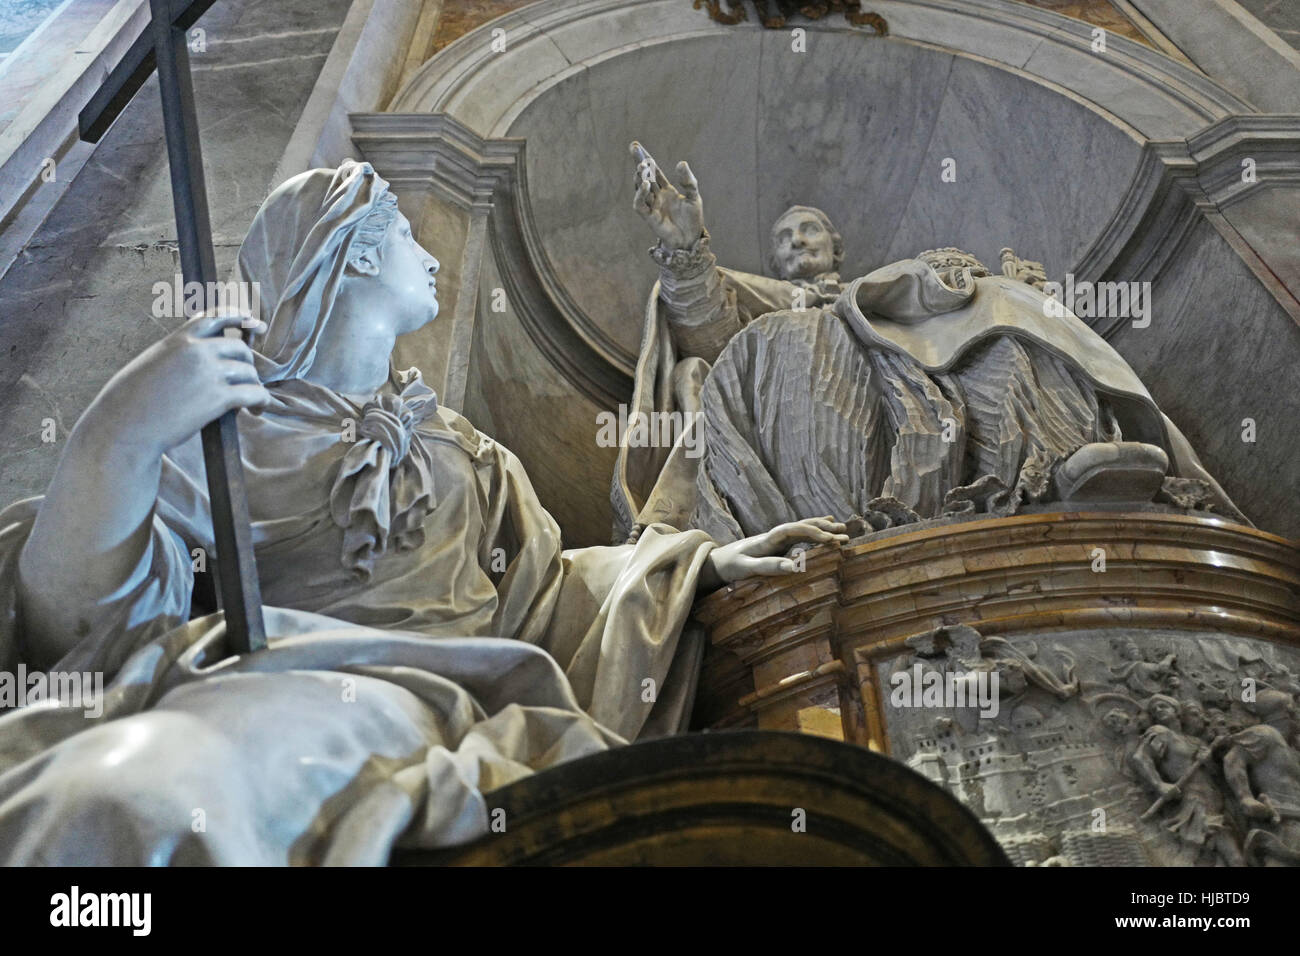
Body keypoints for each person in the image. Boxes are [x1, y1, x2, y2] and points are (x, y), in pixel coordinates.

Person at [0, 160, 845, 864]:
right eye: (406, 234)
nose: (434, 257)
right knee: (120, 794)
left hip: (426, 705)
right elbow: (81, 629)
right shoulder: (223, 435)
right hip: (280, 684)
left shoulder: (468, 453)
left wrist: (692, 566)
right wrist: (117, 435)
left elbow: (548, 599)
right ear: (354, 257)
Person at [617, 143, 1248, 545]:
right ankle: (854, 519)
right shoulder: (775, 309)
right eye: (784, 236)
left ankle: (1059, 471)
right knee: (789, 337)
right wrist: (685, 250)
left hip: (919, 365)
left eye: (810, 229)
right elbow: (708, 337)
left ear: (838, 247)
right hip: (830, 403)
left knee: (1002, 321)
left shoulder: (891, 290)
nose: (796, 241)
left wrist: (972, 292)